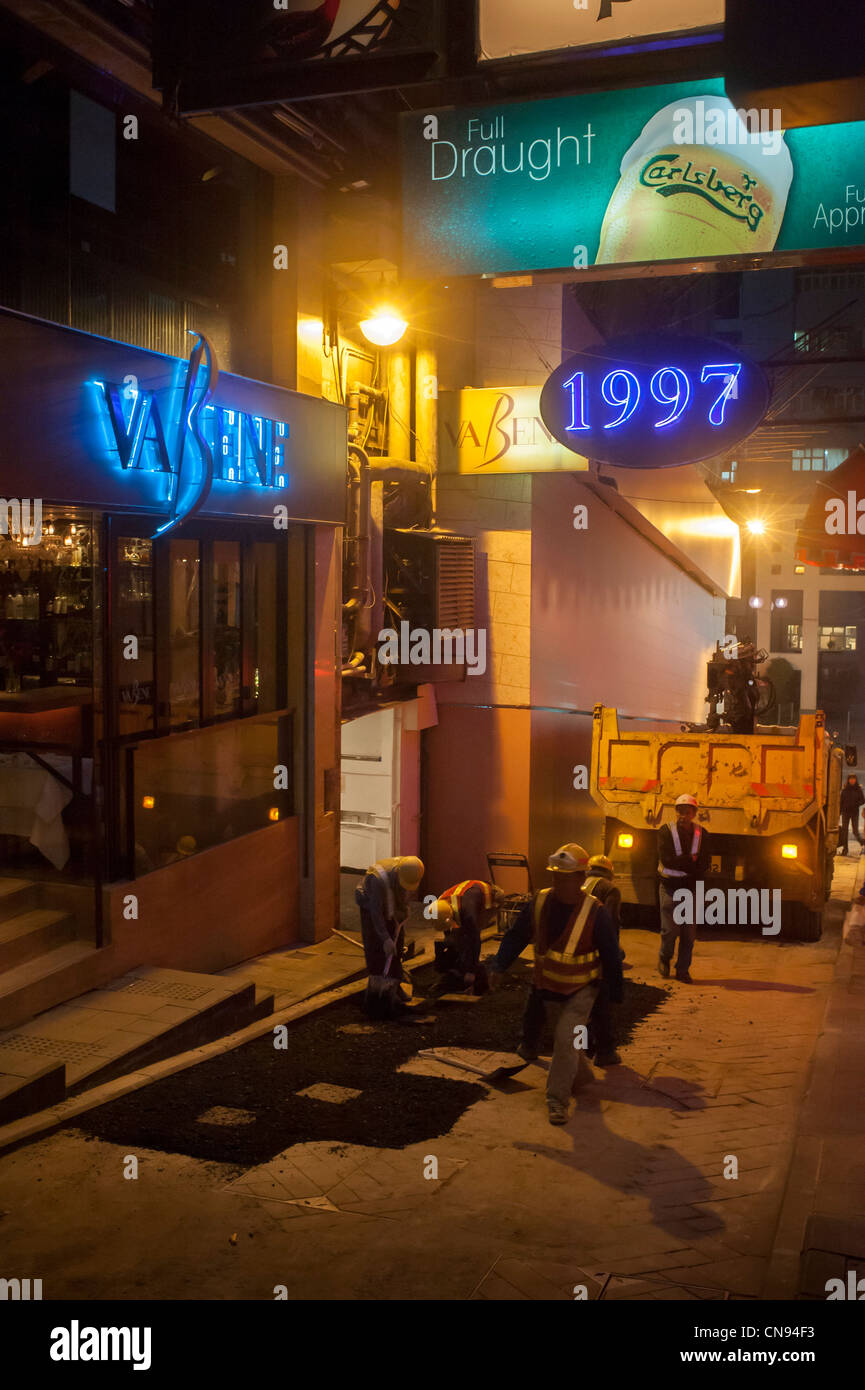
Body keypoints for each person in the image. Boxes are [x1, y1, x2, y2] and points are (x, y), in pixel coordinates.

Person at [487, 843, 623, 1126]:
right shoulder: (539, 902)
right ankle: (581, 1077)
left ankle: (556, 1100)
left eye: (565, 877)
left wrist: (615, 994)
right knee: (569, 1044)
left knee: (564, 1038)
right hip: (548, 988)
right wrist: (499, 965)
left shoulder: (595, 913)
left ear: (580, 878)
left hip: (583, 990)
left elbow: (611, 955)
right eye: (555, 876)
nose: (559, 882)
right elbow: (516, 936)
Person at [355, 856, 424, 1019]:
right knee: (376, 946)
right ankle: (375, 991)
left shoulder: (409, 872)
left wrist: (403, 908)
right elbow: (376, 913)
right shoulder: (377, 880)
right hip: (370, 904)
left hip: (389, 901)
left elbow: (402, 893)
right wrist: (385, 938)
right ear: (398, 873)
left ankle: (395, 983)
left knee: (397, 945)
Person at [657, 793, 710, 983]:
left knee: (688, 934)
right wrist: (690, 862)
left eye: (687, 812)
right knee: (670, 931)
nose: (683, 816)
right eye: (680, 811)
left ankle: (682, 971)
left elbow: (704, 864)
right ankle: (664, 958)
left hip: (691, 891)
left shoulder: (702, 834)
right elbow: (667, 860)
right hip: (670, 888)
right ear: (675, 812)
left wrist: (684, 863)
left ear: (694, 813)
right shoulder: (665, 831)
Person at [430, 879, 503, 996]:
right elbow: (448, 931)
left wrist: (471, 970)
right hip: (469, 896)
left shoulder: (469, 913)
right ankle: (458, 969)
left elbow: (474, 939)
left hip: (491, 896)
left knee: (468, 936)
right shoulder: (440, 905)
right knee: (457, 939)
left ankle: (480, 981)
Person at [583, 855, 624, 1066]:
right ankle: (605, 1051)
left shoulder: (578, 883)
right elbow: (610, 924)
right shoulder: (610, 889)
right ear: (609, 872)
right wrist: (613, 955)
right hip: (595, 955)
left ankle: (581, 1046)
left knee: (577, 1006)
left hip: (571, 955)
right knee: (600, 1002)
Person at [839, 774, 864, 855]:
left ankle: (863, 843)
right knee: (844, 831)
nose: (852, 780)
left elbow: (863, 800)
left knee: (855, 831)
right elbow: (841, 802)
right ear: (848, 780)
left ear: (855, 780)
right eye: (850, 779)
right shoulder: (844, 789)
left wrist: (856, 804)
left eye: (853, 779)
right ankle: (845, 850)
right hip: (845, 812)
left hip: (854, 812)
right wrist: (839, 812)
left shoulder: (858, 789)